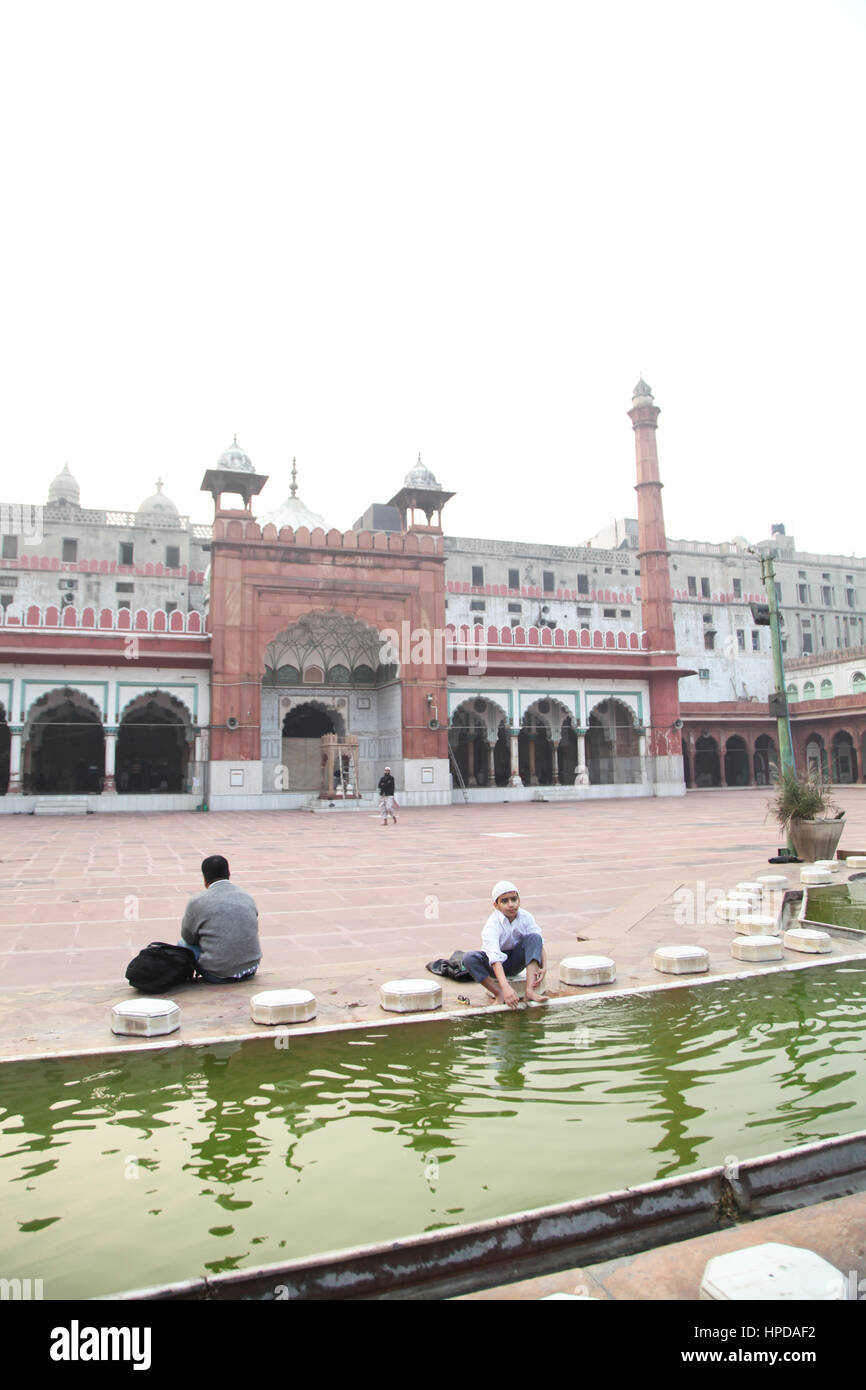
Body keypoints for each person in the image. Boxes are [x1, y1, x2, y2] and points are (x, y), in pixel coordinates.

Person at [462, 880, 548, 1008]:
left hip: (515, 961)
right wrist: (505, 987)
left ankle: (529, 991)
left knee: (534, 937)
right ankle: (499, 994)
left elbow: (538, 942)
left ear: (519, 900)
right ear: (496, 905)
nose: (511, 904)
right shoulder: (492, 925)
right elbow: (495, 959)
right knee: (469, 958)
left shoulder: (526, 917)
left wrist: (545, 967)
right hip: (494, 965)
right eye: (505, 901)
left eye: (514, 899)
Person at [180, 855, 261, 984]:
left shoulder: (197, 902)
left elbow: (188, 937)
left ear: (205, 880)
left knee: (182, 944)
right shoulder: (246, 896)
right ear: (229, 874)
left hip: (217, 973)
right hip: (251, 968)